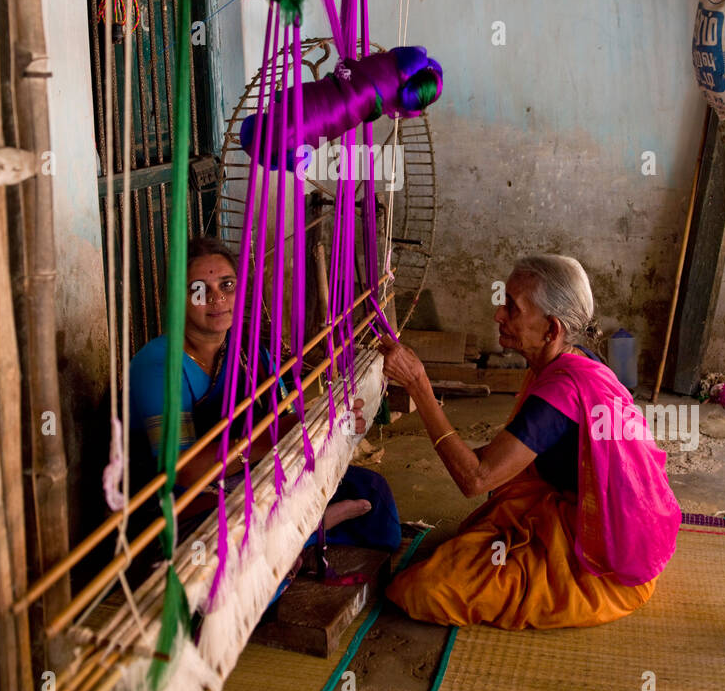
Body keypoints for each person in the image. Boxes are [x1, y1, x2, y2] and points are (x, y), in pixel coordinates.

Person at [378, 254, 681, 630]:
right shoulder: (572, 361)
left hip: (605, 555)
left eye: (512, 308)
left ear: (551, 330)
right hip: (588, 510)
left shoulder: (564, 390)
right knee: (484, 527)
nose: (498, 316)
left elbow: (475, 479)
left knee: (424, 589)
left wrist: (419, 386)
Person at [126, 235, 401, 559]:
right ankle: (309, 529)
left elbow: (288, 416)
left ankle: (300, 531)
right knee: (239, 550)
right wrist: (286, 433)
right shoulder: (158, 368)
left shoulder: (247, 352)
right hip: (181, 505)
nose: (216, 298)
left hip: (251, 477)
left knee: (375, 499)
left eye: (227, 285)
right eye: (199, 290)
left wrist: (331, 424)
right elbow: (182, 472)